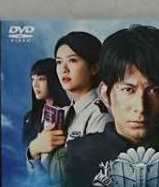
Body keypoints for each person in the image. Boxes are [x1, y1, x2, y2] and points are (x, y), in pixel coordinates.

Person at [50, 24, 159, 187]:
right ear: (105, 94)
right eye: (128, 90)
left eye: (154, 90)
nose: (141, 107)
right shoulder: (70, 159)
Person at [27, 32, 111, 171]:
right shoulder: (62, 113)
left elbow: (95, 176)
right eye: (59, 62)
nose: (63, 69)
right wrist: (33, 150)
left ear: (94, 67)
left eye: (72, 60)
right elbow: (41, 178)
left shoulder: (101, 117)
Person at [22, 58, 70, 148]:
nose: (35, 85)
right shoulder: (28, 118)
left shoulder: (69, 111)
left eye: (41, 79)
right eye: (33, 79)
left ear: (54, 80)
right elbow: (25, 150)